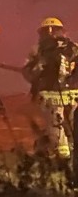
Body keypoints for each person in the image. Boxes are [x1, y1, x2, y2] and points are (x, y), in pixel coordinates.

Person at [22, 17, 78, 157]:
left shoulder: (38, 50)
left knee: (57, 129)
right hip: (73, 95)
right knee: (73, 126)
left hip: (50, 96)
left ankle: (63, 157)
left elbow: (29, 73)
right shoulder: (74, 48)